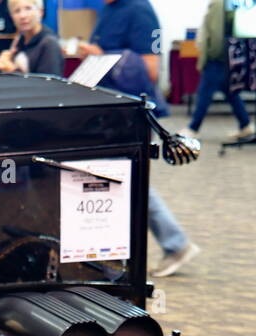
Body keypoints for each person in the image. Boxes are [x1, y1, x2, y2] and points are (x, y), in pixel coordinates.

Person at [78, 0, 201, 279]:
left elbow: (150, 70)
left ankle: (173, 244)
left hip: (128, 115)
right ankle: (162, 246)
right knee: (123, 180)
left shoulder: (139, 10)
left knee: (127, 180)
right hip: (108, 111)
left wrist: (101, 56)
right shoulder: (109, 10)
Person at [181, 0, 255, 143]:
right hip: (226, 57)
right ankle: (245, 124)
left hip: (217, 58)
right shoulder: (226, 3)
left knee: (204, 93)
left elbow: (216, 34)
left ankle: (193, 128)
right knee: (231, 92)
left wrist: (212, 56)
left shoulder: (219, 4)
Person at [0, 0, 64, 76]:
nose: (22, 16)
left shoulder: (49, 43)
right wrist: (7, 60)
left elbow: (49, 85)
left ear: (41, 12)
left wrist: (11, 70)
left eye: (28, 8)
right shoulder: (20, 39)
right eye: (17, 11)